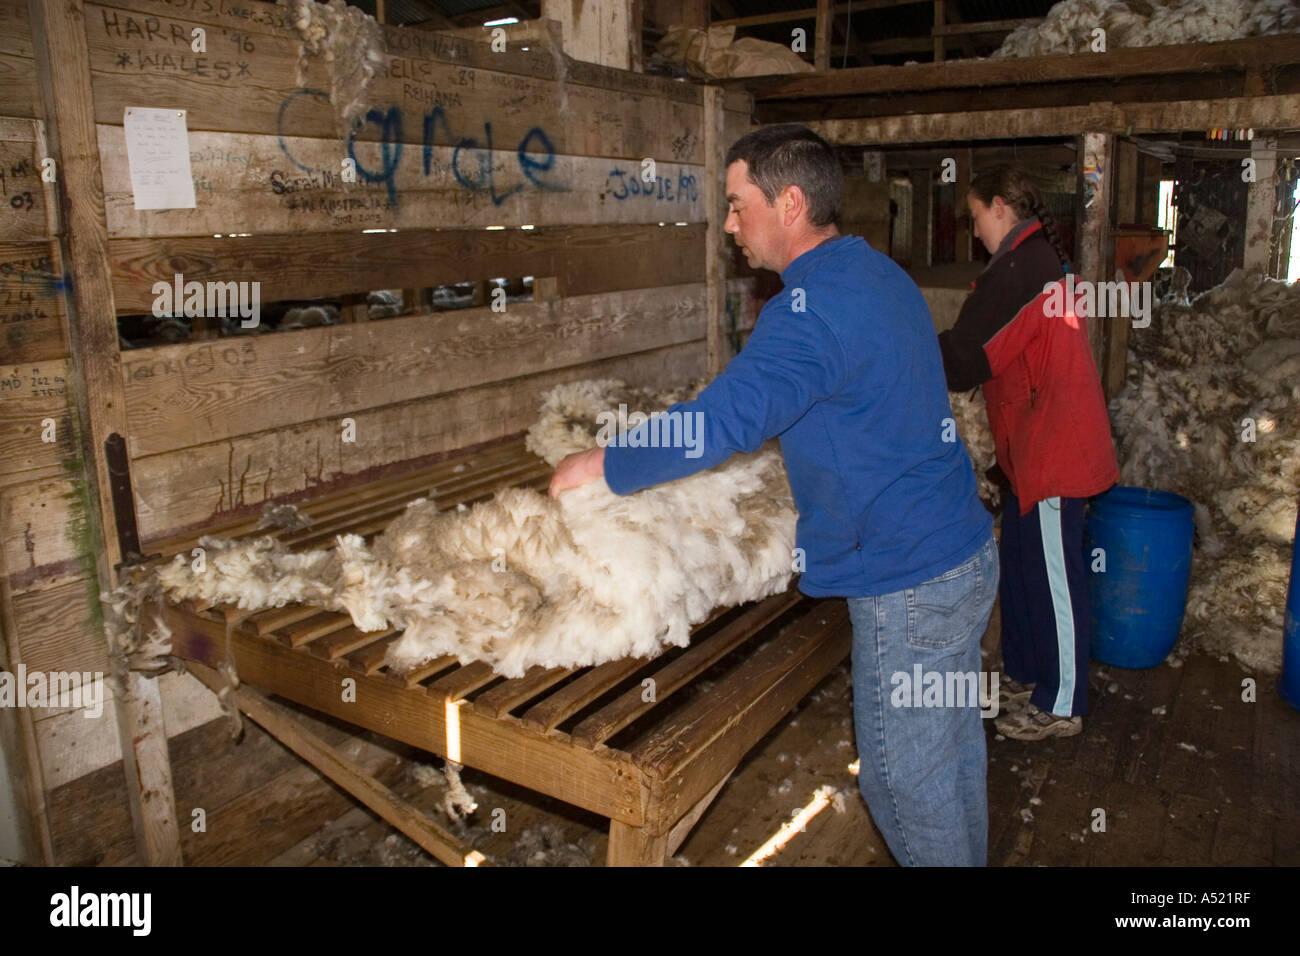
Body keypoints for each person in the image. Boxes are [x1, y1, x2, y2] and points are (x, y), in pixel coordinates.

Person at [550, 124, 998, 866]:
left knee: (904, 789)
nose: (729, 226)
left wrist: (603, 464)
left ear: (789, 203)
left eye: (737, 205)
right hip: (959, 554)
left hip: (909, 582)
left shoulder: (805, 313)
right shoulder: (878, 274)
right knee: (951, 763)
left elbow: (723, 421)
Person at [937, 166, 1119, 742]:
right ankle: (1023, 673)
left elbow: (967, 356)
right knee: (1020, 568)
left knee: (1055, 578)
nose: (975, 230)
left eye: (975, 217)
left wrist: (898, 344)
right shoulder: (1028, 261)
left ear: (999, 208)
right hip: (1029, 448)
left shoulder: (1024, 268)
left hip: (1054, 451)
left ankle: (1062, 701)